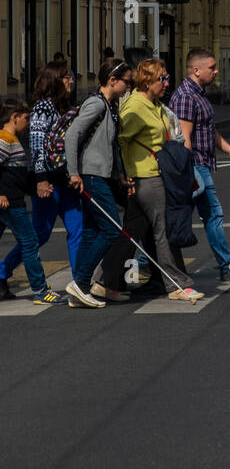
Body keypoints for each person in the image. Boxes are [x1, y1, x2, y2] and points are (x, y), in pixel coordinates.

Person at [100, 59, 202, 304]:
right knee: (162, 230)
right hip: (146, 177)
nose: (167, 83)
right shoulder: (135, 107)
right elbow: (120, 141)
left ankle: (101, 280)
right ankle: (177, 284)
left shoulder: (154, 104)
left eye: (166, 78)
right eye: (161, 79)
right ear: (147, 81)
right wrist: (126, 174)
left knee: (134, 233)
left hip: (157, 174)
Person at [0, 61, 82, 297]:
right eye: (66, 77)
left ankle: (80, 281)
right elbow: (37, 146)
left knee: (77, 228)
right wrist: (41, 179)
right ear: (55, 80)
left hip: (64, 179)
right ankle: (2, 272)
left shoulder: (61, 106)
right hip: (47, 180)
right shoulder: (42, 108)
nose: (71, 81)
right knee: (39, 234)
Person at [169, 49, 230, 292]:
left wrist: (229, 150)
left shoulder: (199, 94)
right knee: (211, 214)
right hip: (194, 166)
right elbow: (184, 139)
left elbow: (208, 130)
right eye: (212, 67)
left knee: (177, 219)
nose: (217, 70)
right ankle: (227, 264)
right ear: (196, 70)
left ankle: (144, 262)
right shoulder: (186, 97)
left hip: (200, 164)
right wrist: (190, 176)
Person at [65, 59, 135, 306]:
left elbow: (110, 145)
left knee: (90, 231)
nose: (129, 86)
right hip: (91, 175)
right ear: (112, 80)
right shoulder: (96, 104)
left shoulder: (110, 106)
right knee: (112, 228)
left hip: (100, 174)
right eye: (127, 81)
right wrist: (73, 172)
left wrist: (120, 174)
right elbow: (72, 136)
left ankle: (78, 290)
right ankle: (82, 282)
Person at [0, 99, 56, 304]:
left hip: (11, 201)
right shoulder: (5, 139)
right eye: (26, 118)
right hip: (10, 204)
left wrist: (37, 187)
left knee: (27, 242)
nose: (29, 123)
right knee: (30, 242)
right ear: (14, 117)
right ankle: (41, 290)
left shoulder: (13, 140)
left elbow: (17, 176)